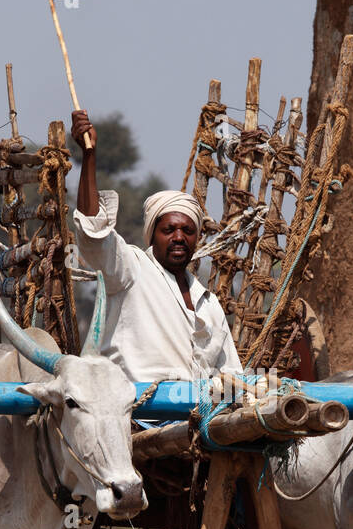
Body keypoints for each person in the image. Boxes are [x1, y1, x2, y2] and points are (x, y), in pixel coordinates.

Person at [69, 110, 243, 384]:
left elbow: (232, 377)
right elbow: (94, 232)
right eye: (168, 230)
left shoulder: (209, 304)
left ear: (196, 239)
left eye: (187, 231)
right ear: (152, 236)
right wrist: (89, 156)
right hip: (135, 420)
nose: (178, 237)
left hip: (194, 422)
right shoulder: (131, 269)